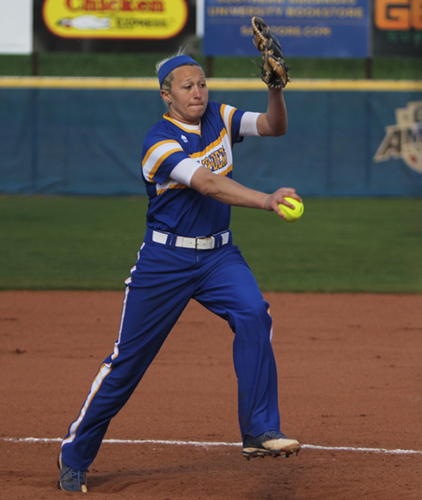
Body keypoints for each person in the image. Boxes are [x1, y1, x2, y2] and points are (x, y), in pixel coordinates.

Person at [57, 53, 301, 493]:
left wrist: (275, 88)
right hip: (164, 263)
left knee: (254, 314)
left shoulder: (220, 116)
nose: (197, 92)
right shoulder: (159, 142)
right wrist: (265, 199)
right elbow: (207, 183)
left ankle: (259, 431)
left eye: (201, 83)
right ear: (166, 96)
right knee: (127, 363)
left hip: (219, 258)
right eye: (186, 86)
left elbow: (274, 126)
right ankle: (74, 455)